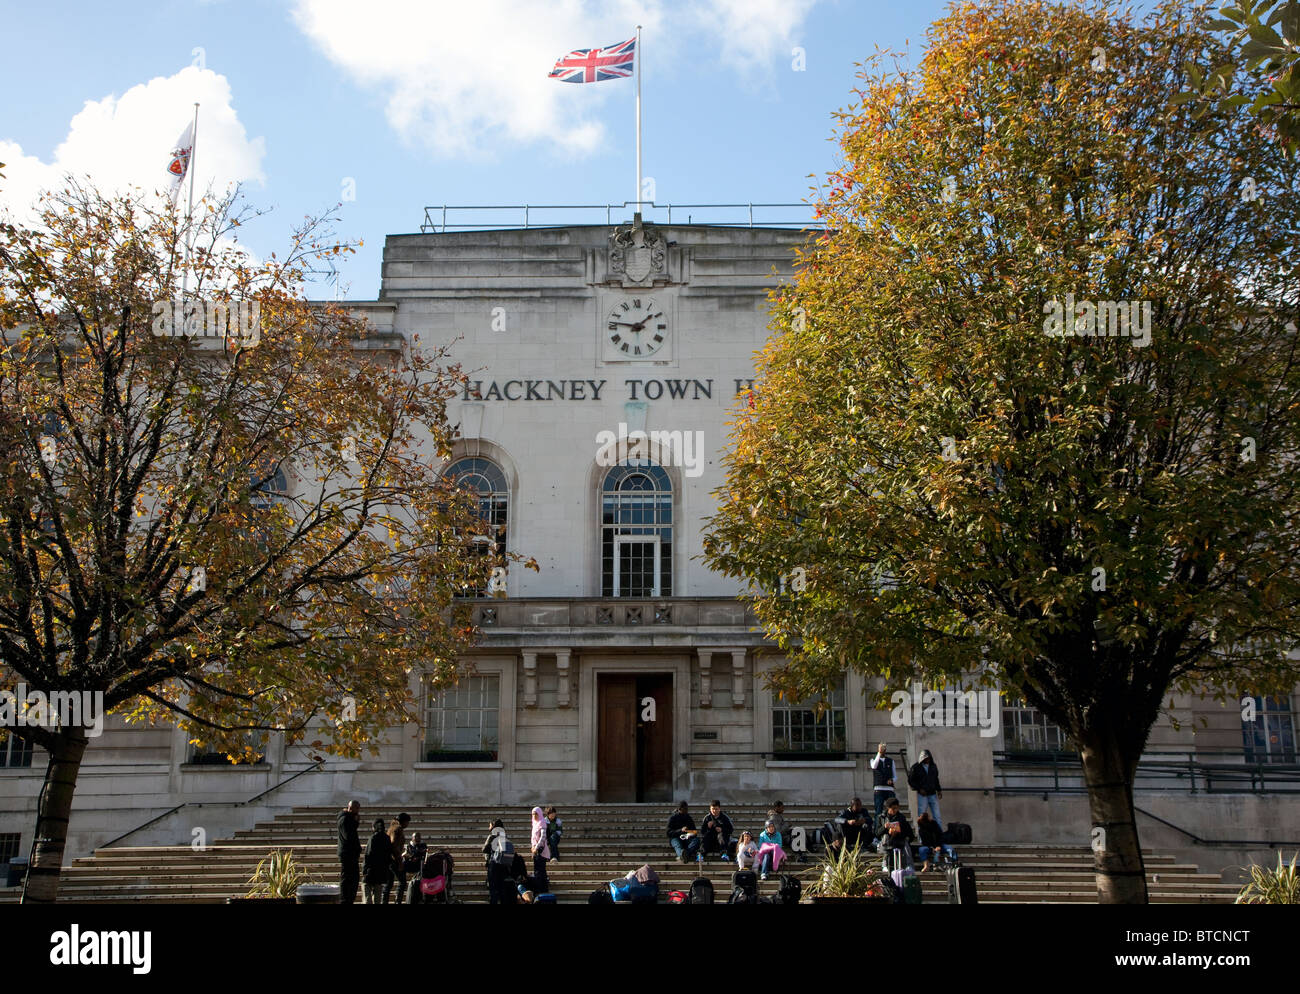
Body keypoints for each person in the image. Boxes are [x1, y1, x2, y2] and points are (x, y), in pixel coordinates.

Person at [875, 796, 916, 870]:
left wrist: (898, 832)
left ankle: (908, 865)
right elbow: (877, 833)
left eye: (896, 808)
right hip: (886, 842)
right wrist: (885, 827)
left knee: (905, 845)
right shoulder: (881, 817)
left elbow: (909, 833)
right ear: (888, 808)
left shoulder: (901, 817)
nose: (895, 810)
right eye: (893, 808)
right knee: (885, 841)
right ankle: (885, 865)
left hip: (899, 840)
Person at [362, 818, 395, 905]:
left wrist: (364, 869)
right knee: (377, 897)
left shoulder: (373, 838)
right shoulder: (387, 838)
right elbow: (389, 854)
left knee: (367, 893)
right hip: (381, 870)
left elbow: (368, 854)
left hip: (371, 870)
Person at [908, 749, 943, 828]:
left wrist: (939, 790)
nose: (927, 760)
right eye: (926, 758)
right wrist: (919, 789)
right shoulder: (916, 767)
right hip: (922, 795)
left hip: (932, 794)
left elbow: (936, 779)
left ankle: (940, 837)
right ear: (922, 759)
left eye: (929, 758)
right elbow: (910, 781)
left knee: (937, 816)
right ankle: (922, 838)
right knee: (921, 817)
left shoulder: (933, 766)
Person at [336, 800, 361, 905]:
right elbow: (349, 836)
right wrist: (355, 822)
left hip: (350, 854)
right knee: (347, 878)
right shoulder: (345, 819)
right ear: (351, 808)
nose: (358, 811)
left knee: (353, 878)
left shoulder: (348, 819)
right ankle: (345, 899)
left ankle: (348, 898)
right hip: (347, 854)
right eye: (357, 808)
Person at [384, 811, 411, 904]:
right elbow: (394, 845)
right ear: (403, 821)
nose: (408, 824)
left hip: (389, 859)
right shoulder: (398, 829)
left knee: (389, 883)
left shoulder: (391, 828)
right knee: (402, 882)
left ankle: (385, 901)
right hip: (394, 859)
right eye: (407, 822)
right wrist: (399, 860)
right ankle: (397, 901)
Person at [482, 819, 510, 904]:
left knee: (493, 888)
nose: (489, 827)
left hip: (493, 864)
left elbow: (484, 849)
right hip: (502, 864)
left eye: (490, 825)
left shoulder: (492, 836)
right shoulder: (503, 835)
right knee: (501, 888)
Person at [869, 743, 897, 821]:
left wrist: (892, 780)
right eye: (881, 749)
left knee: (892, 809)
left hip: (889, 790)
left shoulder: (891, 761)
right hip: (879, 789)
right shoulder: (873, 760)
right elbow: (874, 766)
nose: (882, 750)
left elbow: (895, 776)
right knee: (878, 811)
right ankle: (877, 829)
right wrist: (879, 753)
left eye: (883, 749)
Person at [529, 805, 551, 892]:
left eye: (536, 814)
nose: (534, 816)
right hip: (536, 851)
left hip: (541, 851)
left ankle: (543, 889)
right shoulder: (534, 824)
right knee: (537, 871)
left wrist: (536, 848)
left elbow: (543, 837)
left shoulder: (542, 823)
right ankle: (539, 889)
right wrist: (533, 848)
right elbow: (533, 838)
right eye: (533, 814)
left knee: (540, 871)